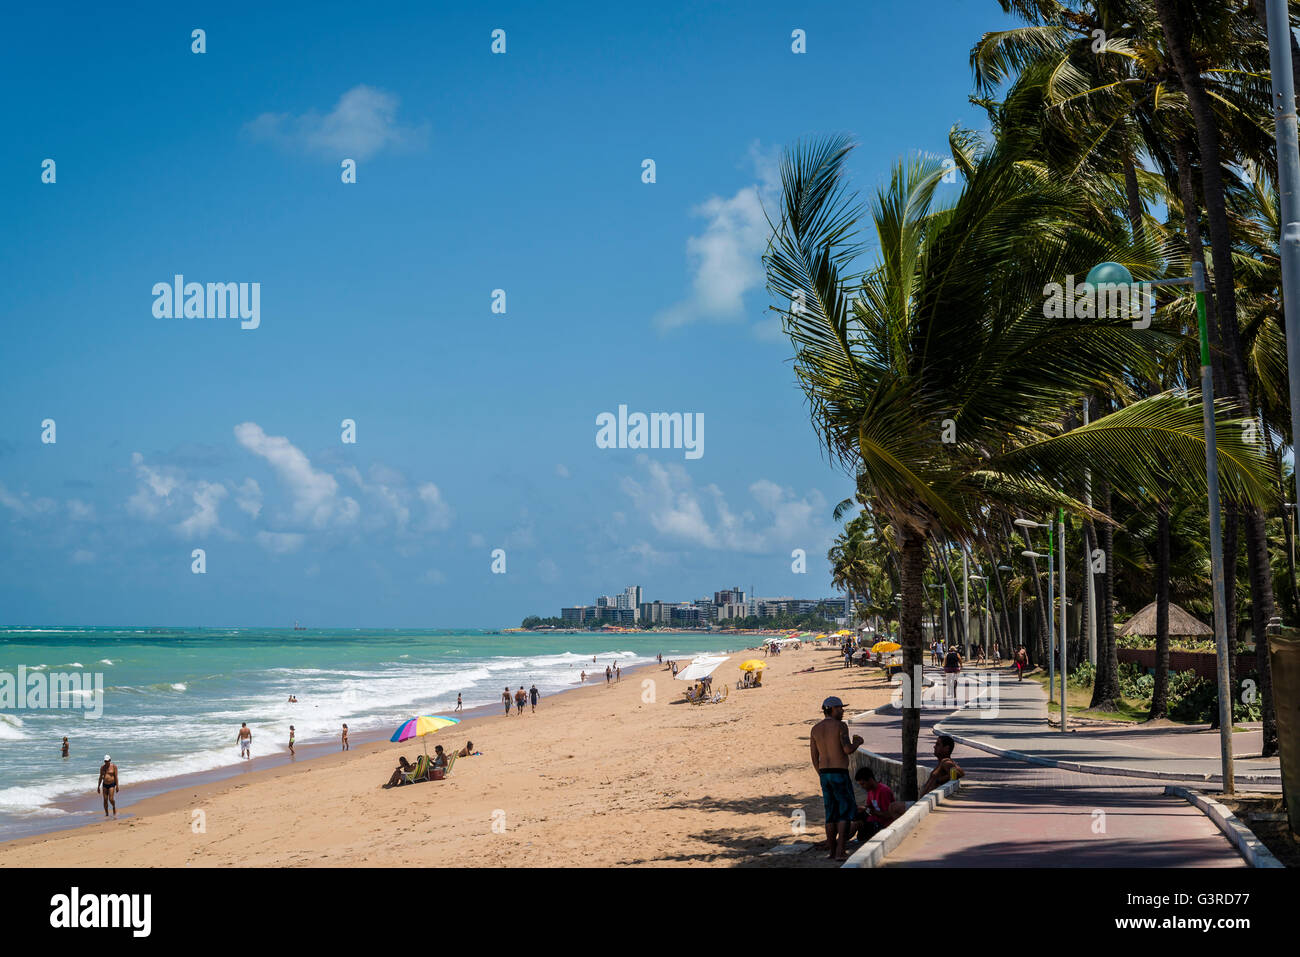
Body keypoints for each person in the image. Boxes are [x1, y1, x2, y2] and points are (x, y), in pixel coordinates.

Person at [809, 696, 864, 862]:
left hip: (824, 773)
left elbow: (814, 755)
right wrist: (857, 743)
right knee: (845, 813)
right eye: (840, 708)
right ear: (831, 709)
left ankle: (832, 851)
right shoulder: (840, 726)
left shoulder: (815, 729)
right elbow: (847, 749)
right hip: (839, 772)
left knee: (830, 813)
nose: (842, 711)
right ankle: (841, 851)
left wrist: (820, 773)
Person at [852, 766, 896, 841]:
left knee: (857, 824)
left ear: (870, 780)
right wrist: (862, 809)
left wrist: (868, 810)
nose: (862, 787)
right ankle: (840, 841)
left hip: (884, 824)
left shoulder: (883, 791)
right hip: (874, 820)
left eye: (863, 784)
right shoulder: (870, 791)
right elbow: (869, 807)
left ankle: (840, 842)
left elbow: (888, 814)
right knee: (855, 815)